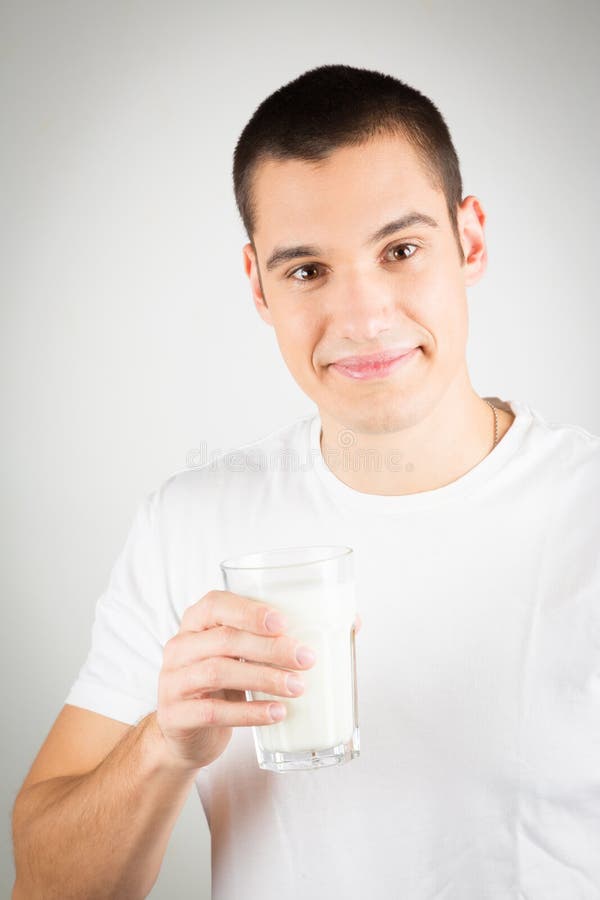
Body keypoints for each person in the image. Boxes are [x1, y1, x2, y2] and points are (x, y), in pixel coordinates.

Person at [11, 63, 600, 899]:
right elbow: (44, 883)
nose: (362, 318)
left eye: (401, 251)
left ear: (469, 240)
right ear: (258, 284)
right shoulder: (190, 525)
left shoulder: (584, 510)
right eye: (307, 270)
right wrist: (163, 747)